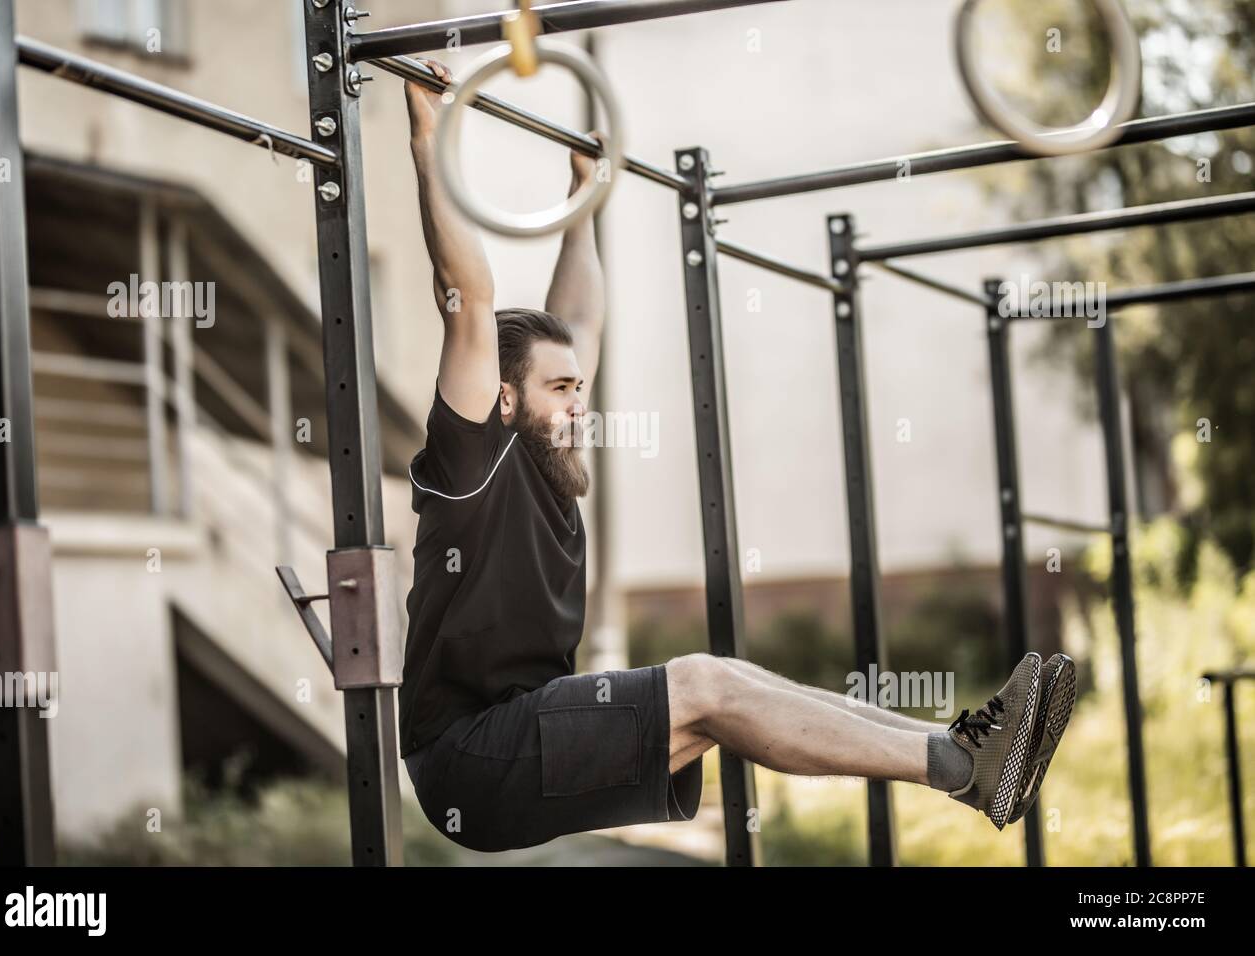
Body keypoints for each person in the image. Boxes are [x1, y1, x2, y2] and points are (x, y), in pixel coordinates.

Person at [398, 59, 1077, 854]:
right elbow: (467, 295)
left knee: (732, 685)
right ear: (505, 401)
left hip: (527, 733)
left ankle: (964, 750)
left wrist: (585, 198)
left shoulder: (553, 461)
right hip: (470, 757)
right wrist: (428, 133)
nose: (581, 401)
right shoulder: (474, 460)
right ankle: (963, 765)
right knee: (708, 682)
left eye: (581, 385)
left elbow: (579, 315)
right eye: (560, 389)